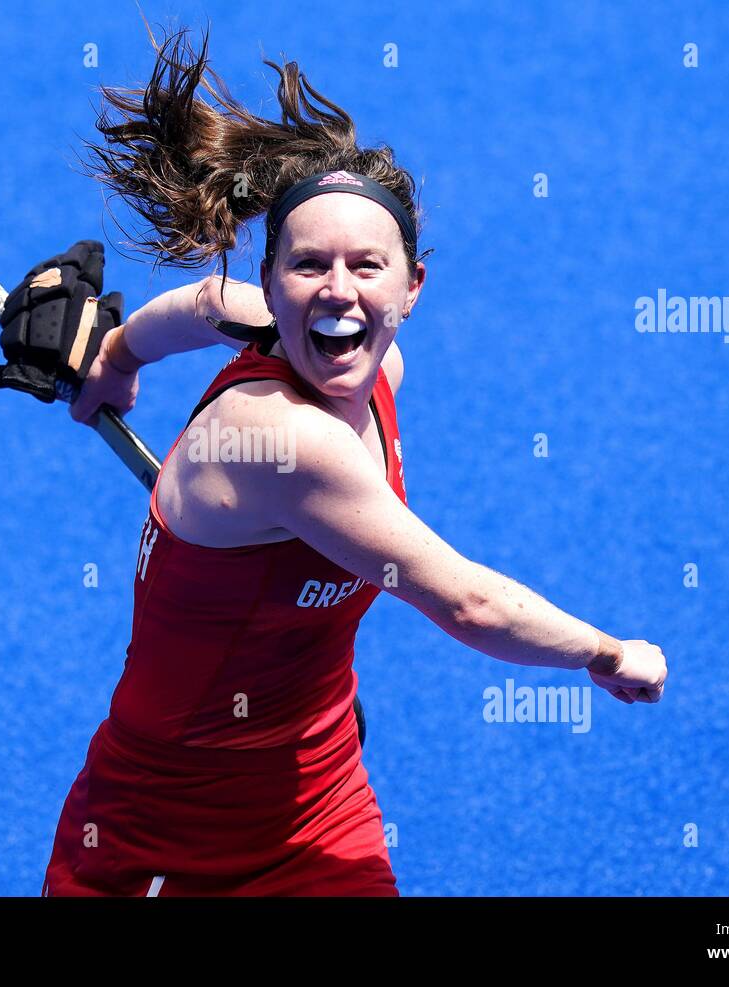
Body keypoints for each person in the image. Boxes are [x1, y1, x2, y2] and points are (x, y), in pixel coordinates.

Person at [40, 26, 666, 897]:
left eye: (367, 265)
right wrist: (604, 653)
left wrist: (118, 358)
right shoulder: (289, 444)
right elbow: (469, 601)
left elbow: (205, 301)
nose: (338, 289)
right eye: (308, 266)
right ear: (276, 277)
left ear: (412, 287)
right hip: (164, 817)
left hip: (313, 791)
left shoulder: (334, 348)